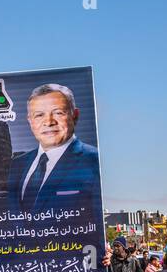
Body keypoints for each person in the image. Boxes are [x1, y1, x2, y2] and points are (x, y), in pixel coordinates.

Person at [7, 84, 101, 217]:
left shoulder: (93, 161)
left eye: (58, 113)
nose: (49, 122)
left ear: (75, 115)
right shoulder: (17, 165)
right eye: (39, 115)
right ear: (30, 121)